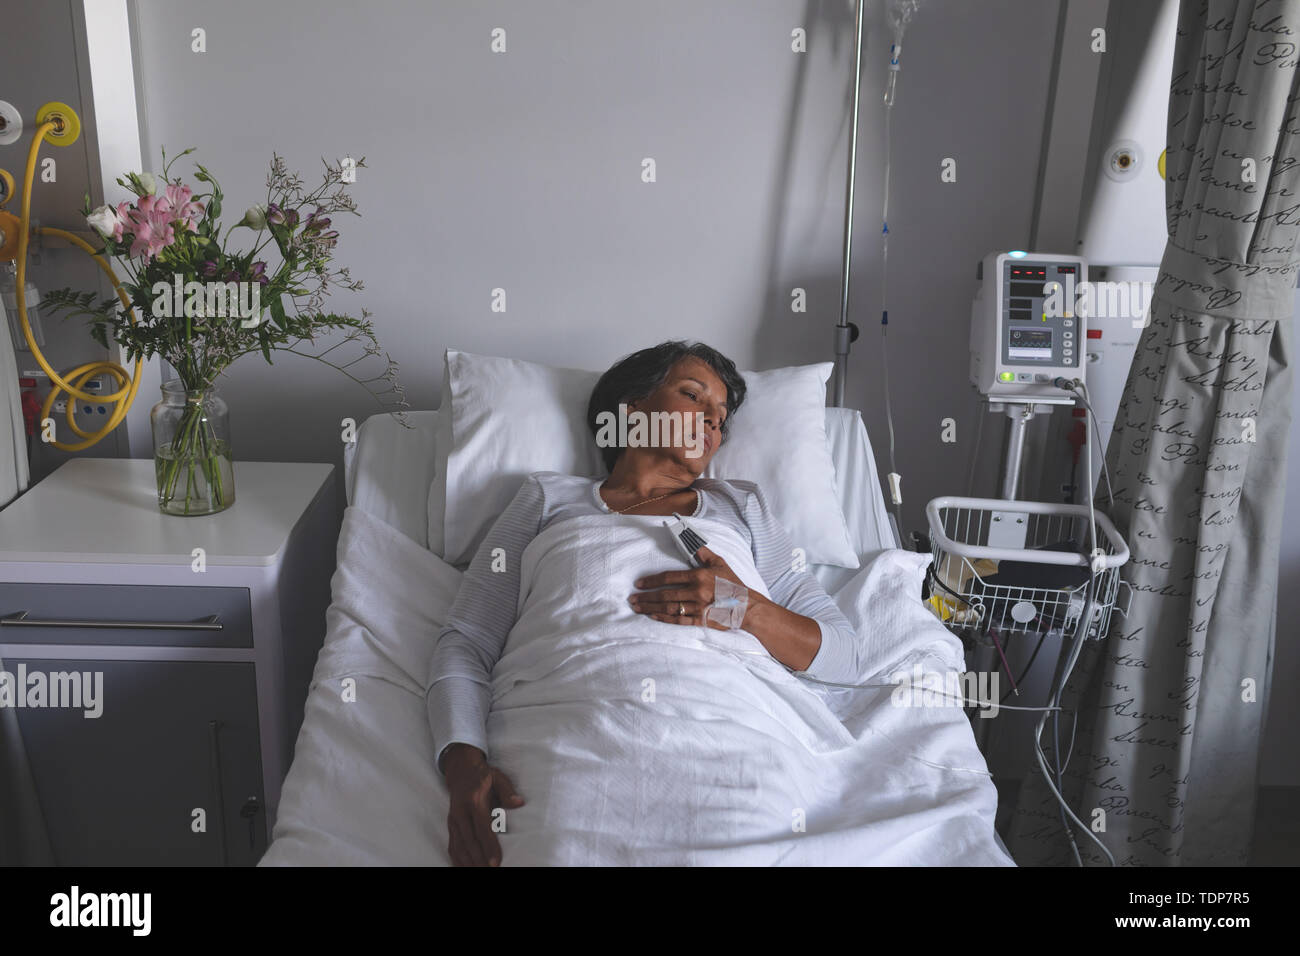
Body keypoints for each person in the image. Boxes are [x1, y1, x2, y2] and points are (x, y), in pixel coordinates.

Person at [426, 340, 860, 866]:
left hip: (728, 722)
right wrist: (463, 763)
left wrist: (745, 607)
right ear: (631, 410)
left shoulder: (739, 506)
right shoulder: (546, 499)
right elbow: (467, 641)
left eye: (722, 417)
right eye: (693, 395)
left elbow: (843, 655)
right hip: (572, 720)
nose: (712, 422)